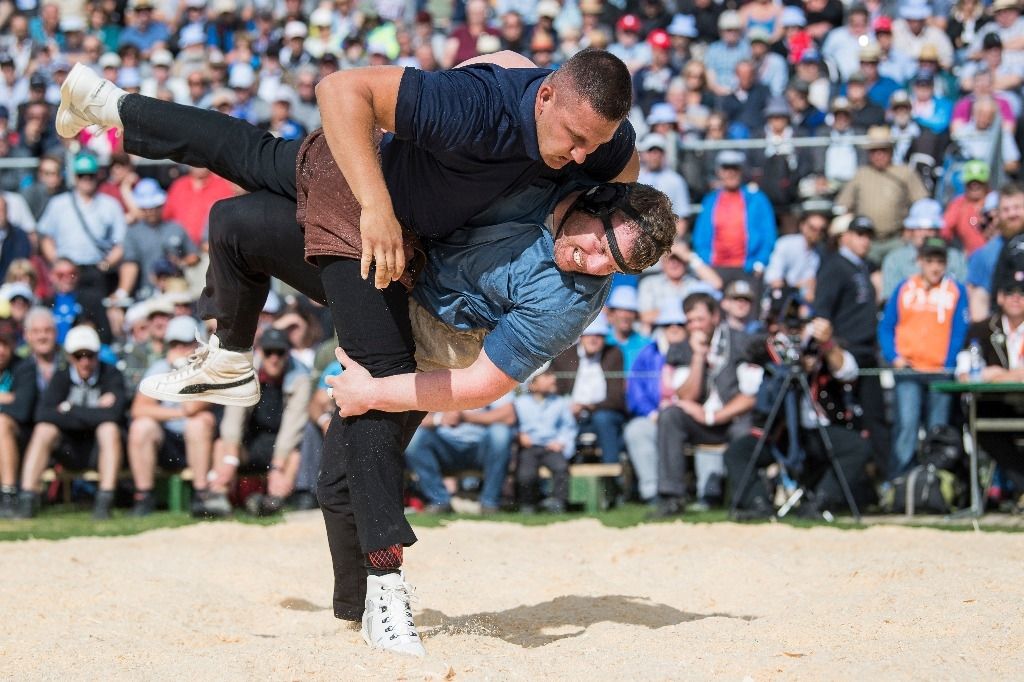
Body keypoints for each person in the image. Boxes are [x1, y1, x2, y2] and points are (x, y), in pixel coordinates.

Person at [59, 52, 673, 658]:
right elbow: (347, 88)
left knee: (347, 457)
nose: (581, 155)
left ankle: (381, 590)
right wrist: (380, 206)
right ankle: (113, 111)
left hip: (434, 329)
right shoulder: (481, 110)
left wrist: (377, 391)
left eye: (610, 265)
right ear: (545, 99)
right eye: (575, 140)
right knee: (237, 213)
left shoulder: (582, 230)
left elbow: (483, 385)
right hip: (373, 215)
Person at [724, 290, 871, 519]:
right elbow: (749, 384)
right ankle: (758, 505)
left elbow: (847, 371)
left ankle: (821, 501)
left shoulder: (822, 347)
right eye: (787, 325)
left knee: (857, 447)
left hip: (815, 431)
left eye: (800, 325)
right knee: (737, 453)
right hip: (779, 432)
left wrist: (827, 346)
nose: (794, 332)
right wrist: (782, 366)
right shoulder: (763, 349)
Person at [651, 292, 758, 517]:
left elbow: (750, 395)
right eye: (690, 321)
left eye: (700, 319)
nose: (695, 326)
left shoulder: (742, 342)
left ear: (715, 317)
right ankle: (672, 497)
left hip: (732, 418)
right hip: (699, 421)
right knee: (670, 416)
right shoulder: (680, 348)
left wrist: (714, 417)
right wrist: (698, 357)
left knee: (745, 429)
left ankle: (747, 501)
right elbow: (687, 396)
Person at [878, 237, 970, 481]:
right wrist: (893, 357)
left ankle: (935, 483)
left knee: (937, 429)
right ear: (920, 262)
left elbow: (960, 329)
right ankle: (899, 481)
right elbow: (886, 327)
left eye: (940, 261)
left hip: (940, 372)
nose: (935, 267)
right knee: (906, 426)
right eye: (930, 260)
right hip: (908, 369)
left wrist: (948, 362)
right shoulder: (904, 288)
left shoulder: (955, 290)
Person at [15, 325, 127, 520]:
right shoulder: (61, 376)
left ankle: (104, 501)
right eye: (78, 356)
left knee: (108, 429)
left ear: (97, 355)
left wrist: (69, 410)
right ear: (69, 357)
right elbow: (42, 414)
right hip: (69, 450)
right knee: (44, 430)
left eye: (89, 355)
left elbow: (115, 415)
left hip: (99, 450)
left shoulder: (111, 374)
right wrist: (95, 413)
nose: (84, 361)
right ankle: (27, 499)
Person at [127, 315, 217, 516]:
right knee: (141, 426)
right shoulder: (159, 368)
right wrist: (175, 414)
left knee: (199, 422)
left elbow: (193, 408)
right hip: (169, 441)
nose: (179, 349)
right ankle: (144, 496)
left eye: (185, 343)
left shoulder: (210, 371)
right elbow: (139, 409)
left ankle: (201, 495)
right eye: (174, 344)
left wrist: (182, 371)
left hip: (200, 441)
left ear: (197, 343)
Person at [217, 328, 311, 518]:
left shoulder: (301, 378)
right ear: (260, 352)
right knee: (222, 445)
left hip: (281, 446)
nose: (274, 358)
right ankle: (217, 497)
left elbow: (292, 427)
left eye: (280, 352)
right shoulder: (245, 371)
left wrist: (277, 466)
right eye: (269, 352)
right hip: (250, 442)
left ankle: (274, 501)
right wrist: (230, 458)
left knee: (295, 453)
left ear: (288, 353)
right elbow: (233, 418)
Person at [954, 269, 1024, 511]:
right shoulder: (982, 329)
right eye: (1011, 293)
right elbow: (964, 373)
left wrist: (1000, 375)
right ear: (1000, 297)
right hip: (996, 404)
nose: (1017, 298)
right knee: (982, 426)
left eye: (1022, 293)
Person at [403, 394, 514, 514]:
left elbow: (509, 415)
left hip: (482, 449)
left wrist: (466, 417)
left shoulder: (491, 377)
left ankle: (490, 504)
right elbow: (412, 418)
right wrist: (439, 419)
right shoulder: (434, 377)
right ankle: (440, 502)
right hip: (445, 449)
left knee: (501, 433)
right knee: (415, 438)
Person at [624, 300, 687, 503]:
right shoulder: (648, 354)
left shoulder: (697, 352)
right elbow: (636, 389)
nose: (675, 328)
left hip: (689, 416)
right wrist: (650, 413)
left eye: (680, 324)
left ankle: (708, 494)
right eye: (669, 324)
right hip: (655, 414)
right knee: (636, 431)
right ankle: (653, 492)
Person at [834, 126, 928, 258]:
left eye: (883, 150)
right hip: (867, 240)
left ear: (891, 150)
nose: (878, 155)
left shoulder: (904, 172)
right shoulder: (861, 174)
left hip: (898, 239)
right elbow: (843, 206)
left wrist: (910, 230)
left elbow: (922, 204)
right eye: (874, 151)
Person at [551, 313, 627, 467]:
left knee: (603, 419)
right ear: (581, 336)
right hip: (571, 415)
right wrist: (568, 408)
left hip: (602, 414)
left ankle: (611, 473)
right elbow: (555, 390)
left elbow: (616, 397)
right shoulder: (565, 355)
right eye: (589, 334)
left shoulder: (613, 354)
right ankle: (560, 474)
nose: (593, 339)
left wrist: (586, 406)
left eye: (599, 335)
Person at [692, 150, 777, 278]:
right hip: (716, 267)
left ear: (741, 171)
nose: (730, 173)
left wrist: (760, 262)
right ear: (719, 172)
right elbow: (700, 236)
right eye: (726, 168)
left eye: (735, 168)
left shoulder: (757, 199)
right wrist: (706, 260)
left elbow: (768, 234)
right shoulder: (710, 200)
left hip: (747, 268)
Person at [116, 178, 199, 301]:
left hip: (177, 293)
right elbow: (130, 265)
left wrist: (180, 263)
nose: (151, 211)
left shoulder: (176, 228)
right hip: (146, 294)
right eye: (147, 208)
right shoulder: (133, 233)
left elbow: (194, 256)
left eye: (155, 207)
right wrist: (122, 293)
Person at [513, 365, 578, 513]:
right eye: (547, 376)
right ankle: (527, 504)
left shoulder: (560, 403)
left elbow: (568, 427)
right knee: (525, 474)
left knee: (561, 468)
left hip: (551, 447)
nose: (553, 379)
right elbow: (513, 424)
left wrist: (561, 442)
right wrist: (520, 436)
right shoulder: (520, 403)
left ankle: (559, 503)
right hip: (530, 447)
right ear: (532, 384)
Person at [881, 199, 968, 300]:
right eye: (919, 228)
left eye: (930, 229)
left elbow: (964, 296)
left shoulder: (956, 258)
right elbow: (891, 299)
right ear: (911, 230)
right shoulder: (895, 260)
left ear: (938, 231)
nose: (925, 234)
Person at [764, 200, 829, 301]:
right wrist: (799, 285)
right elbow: (773, 278)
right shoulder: (786, 244)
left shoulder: (818, 254)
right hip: (778, 299)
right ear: (802, 226)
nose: (816, 233)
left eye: (821, 230)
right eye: (812, 228)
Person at [943, 160, 992, 254]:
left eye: (979, 182)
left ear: (986, 183)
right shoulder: (958, 204)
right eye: (971, 182)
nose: (974, 186)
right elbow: (945, 230)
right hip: (969, 259)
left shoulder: (995, 200)